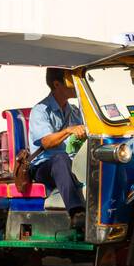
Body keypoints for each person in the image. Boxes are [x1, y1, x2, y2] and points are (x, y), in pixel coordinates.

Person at [29, 68, 87, 228]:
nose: (76, 85)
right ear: (57, 84)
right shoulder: (40, 110)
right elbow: (46, 142)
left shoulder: (74, 110)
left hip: (70, 163)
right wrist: (69, 130)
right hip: (43, 167)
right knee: (60, 158)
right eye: (71, 81)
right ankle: (76, 211)